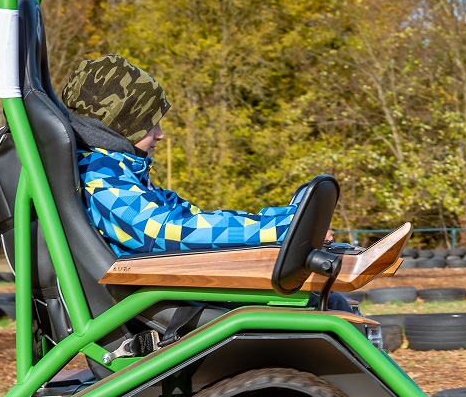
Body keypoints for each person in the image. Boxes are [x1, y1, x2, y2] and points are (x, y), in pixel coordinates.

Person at [61, 55, 298, 256]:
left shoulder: (120, 171)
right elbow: (167, 231)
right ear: (123, 125)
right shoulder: (98, 176)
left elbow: (193, 218)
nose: (160, 135)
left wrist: (284, 219)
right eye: (151, 124)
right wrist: (280, 230)